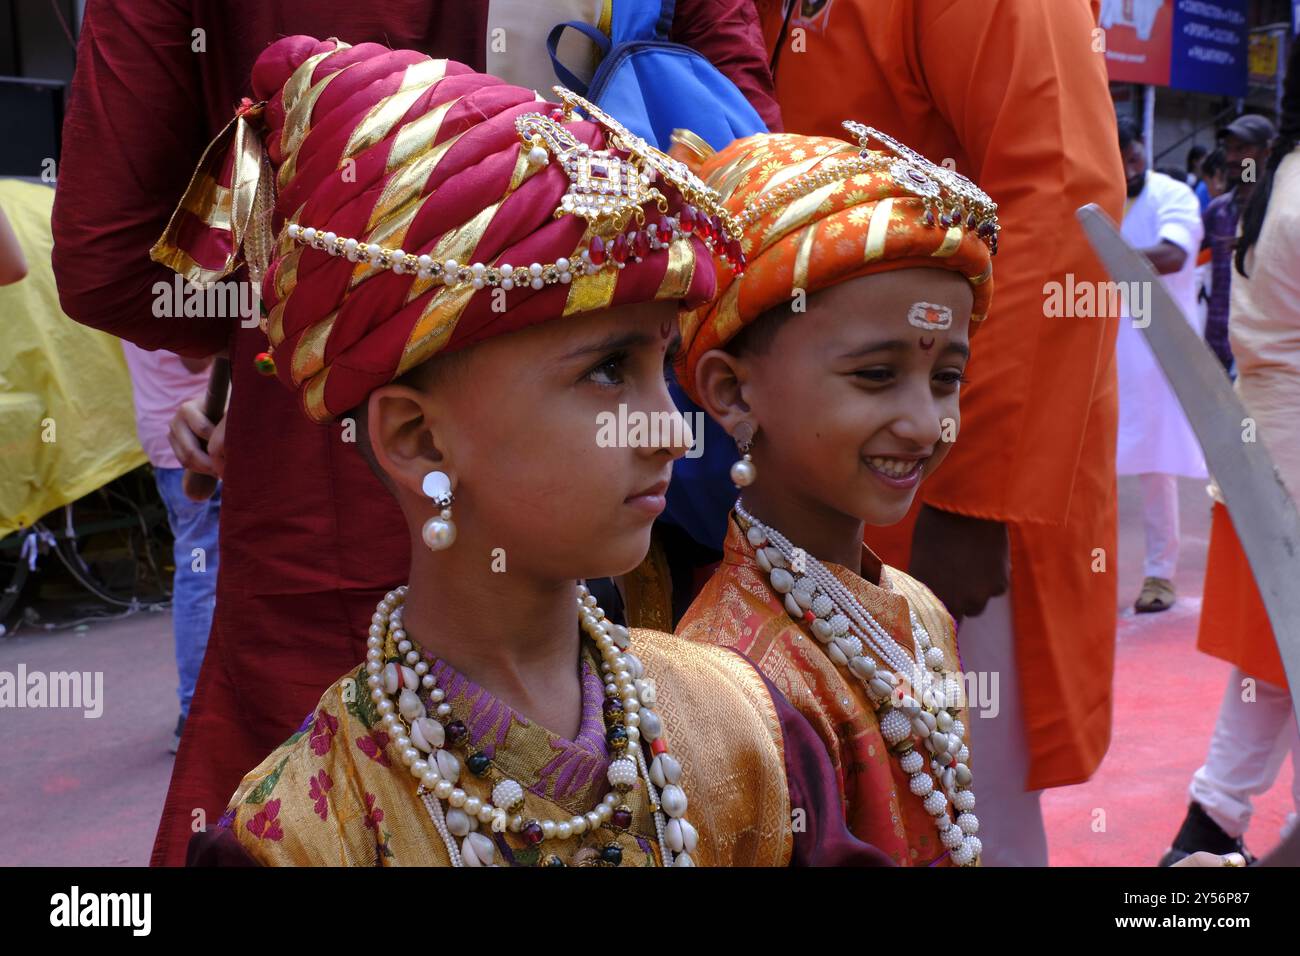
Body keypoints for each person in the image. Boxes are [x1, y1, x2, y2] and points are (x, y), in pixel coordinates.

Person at [49, 0, 779, 867]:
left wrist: (305, 340)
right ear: (417, 437)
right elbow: (752, 173)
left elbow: (110, 258)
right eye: (612, 371)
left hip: (319, 497)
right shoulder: (751, 718)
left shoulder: (284, 828)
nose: (666, 430)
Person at [752, 0, 1125, 865]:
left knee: (961, 827)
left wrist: (971, 497)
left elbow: (1065, 196)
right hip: (783, 470)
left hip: (943, 489)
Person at [673, 126, 997, 866]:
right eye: (875, 376)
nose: (924, 422)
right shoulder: (724, 683)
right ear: (730, 390)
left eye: (946, 379)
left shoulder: (917, 612)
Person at [1161, 45, 1300, 866]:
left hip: (1265, 476)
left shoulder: (1280, 177)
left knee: (1267, 684)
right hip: (1289, 484)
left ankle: (1198, 854)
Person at [1115, 116, 1206, 613]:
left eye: (1134, 157)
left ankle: (1159, 573)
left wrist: (1096, 254)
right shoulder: (1094, 193)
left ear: (1143, 149)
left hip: (1152, 350)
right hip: (1095, 343)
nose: (1130, 168)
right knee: (1083, 464)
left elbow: (1172, 254)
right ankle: (1076, 564)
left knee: (1156, 466)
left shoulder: (1173, 194)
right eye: (1120, 160)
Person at [120, 344, 222, 751]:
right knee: (202, 578)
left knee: (197, 572)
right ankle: (198, 712)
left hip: (166, 433)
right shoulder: (183, 277)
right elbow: (195, 354)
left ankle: (195, 711)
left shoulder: (135, 279)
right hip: (198, 435)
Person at [1202, 114, 1277, 376]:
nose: (1232, 158)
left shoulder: (1282, 212)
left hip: (1265, 355)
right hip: (1216, 347)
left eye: (1242, 149)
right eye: (1229, 149)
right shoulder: (1218, 211)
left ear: (1267, 152)